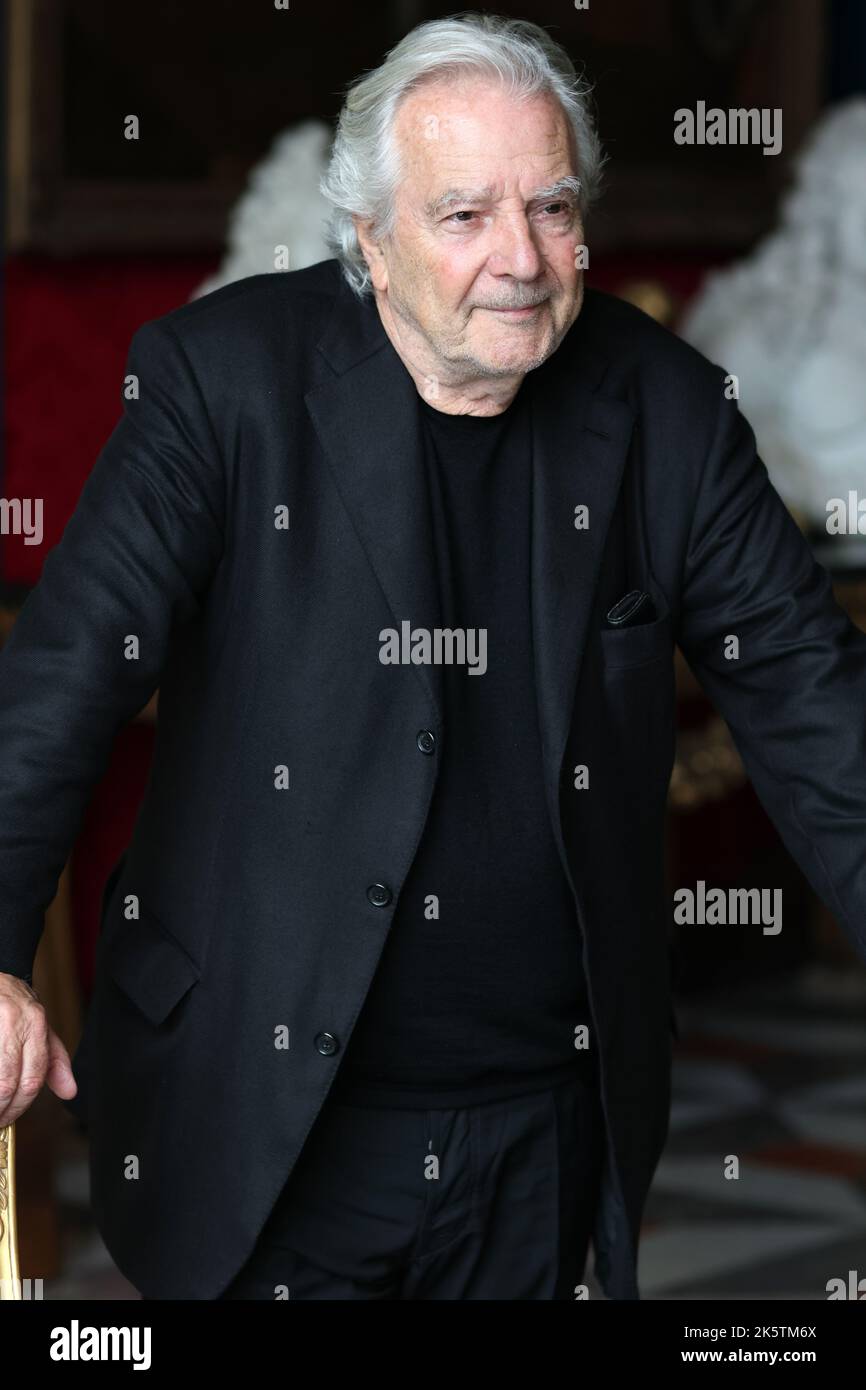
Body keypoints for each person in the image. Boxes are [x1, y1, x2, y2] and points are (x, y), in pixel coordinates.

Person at [1, 12, 865, 1301]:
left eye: (552, 207)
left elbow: (813, 701)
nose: (520, 258)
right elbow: (65, 677)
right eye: (464, 216)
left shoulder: (669, 409)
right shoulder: (221, 384)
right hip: (264, 1104)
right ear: (371, 242)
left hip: (541, 1122)